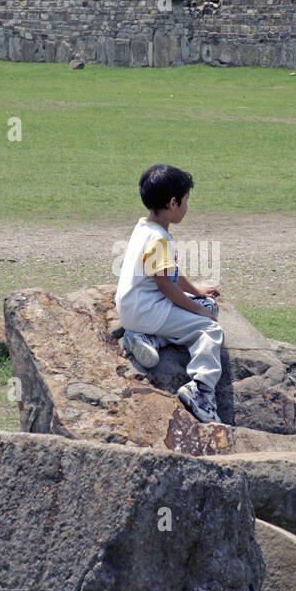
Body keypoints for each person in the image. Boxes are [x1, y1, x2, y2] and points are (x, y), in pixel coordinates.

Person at [115, 163, 223, 423]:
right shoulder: (160, 239)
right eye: (186, 200)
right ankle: (201, 390)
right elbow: (165, 285)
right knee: (210, 328)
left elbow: (169, 272)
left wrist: (195, 291)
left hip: (131, 309)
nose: (187, 206)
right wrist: (197, 309)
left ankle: (147, 339)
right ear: (173, 203)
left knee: (207, 304)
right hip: (148, 310)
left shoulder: (144, 227)